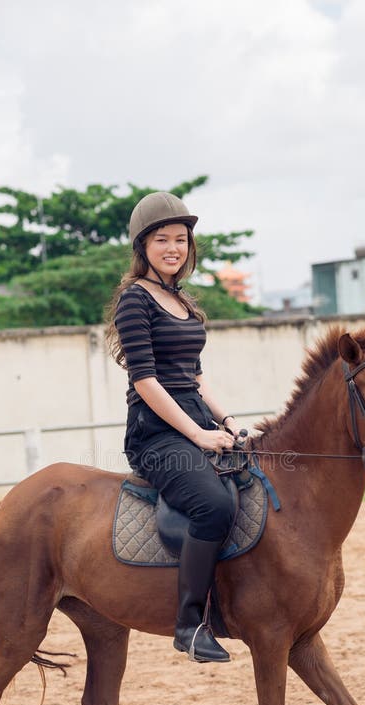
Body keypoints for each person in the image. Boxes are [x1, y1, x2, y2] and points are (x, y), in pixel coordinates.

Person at [106, 192, 241, 663]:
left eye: (180, 240)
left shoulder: (181, 299)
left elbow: (195, 378)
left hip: (196, 419)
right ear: (142, 246)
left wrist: (226, 421)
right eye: (162, 239)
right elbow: (145, 381)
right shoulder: (134, 300)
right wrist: (200, 436)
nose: (173, 248)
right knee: (214, 506)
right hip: (156, 433)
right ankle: (189, 624)